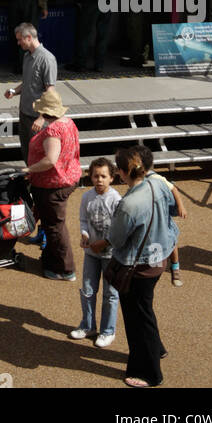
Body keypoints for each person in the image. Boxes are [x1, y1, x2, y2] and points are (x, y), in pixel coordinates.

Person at [108, 144, 178, 389]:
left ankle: (149, 372)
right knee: (145, 310)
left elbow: (115, 238)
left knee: (137, 318)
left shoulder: (129, 204)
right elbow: (171, 207)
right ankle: (155, 349)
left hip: (138, 266)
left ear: (124, 171)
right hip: (161, 255)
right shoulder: (157, 182)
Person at [23, 89, 82, 280]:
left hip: (53, 184)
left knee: (55, 227)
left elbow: (50, 160)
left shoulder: (52, 130)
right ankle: (52, 261)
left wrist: (29, 169)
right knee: (53, 224)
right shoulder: (69, 123)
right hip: (67, 178)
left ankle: (65, 269)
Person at [71, 157, 121, 347]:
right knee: (88, 290)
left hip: (111, 255)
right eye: (95, 176)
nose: (99, 180)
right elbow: (83, 220)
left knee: (110, 293)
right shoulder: (86, 197)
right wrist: (84, 235)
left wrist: (106, 243)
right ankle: (88, 325)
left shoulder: (116, 200)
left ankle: (108, 331)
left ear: (111, 178)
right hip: (91, 253)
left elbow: (120, 228)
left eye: (103, 176)